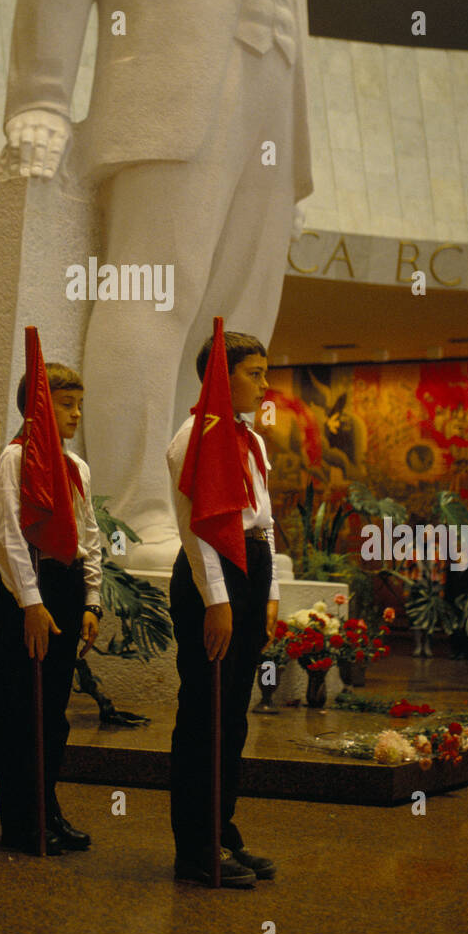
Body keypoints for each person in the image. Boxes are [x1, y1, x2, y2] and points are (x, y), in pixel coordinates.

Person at [1, 0, 313, 557]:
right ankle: (132, 502)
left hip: (268, 117)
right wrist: (40, 96)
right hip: (173, 109)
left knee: (236, 327)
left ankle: (208, 510)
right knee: (152, 293)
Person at [167, 331, 279, 889]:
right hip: (212, 579)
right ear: (220, 375)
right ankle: (195, 848)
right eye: (254, 372)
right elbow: (197, 530)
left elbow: (266, 519)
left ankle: (222, 830)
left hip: (250, 574)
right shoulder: (194, 437)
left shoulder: (251, 439)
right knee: (205, 717)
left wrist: (272, 587)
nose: (265, 383)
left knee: (232, 718)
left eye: (264, 371)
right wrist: (217, 601)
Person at [0, 362, 103, 855]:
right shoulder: (14, 461)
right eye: (65, 403)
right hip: (30, 590)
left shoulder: (75, 467)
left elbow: (90, 536)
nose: (77, 413)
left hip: (67, 586)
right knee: (23, 710)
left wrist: (93, 599)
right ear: (37, 408)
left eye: (80, 403)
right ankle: (21, 820)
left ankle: (47, 806)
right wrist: (30, 603)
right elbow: (10, 539)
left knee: (53, 715)